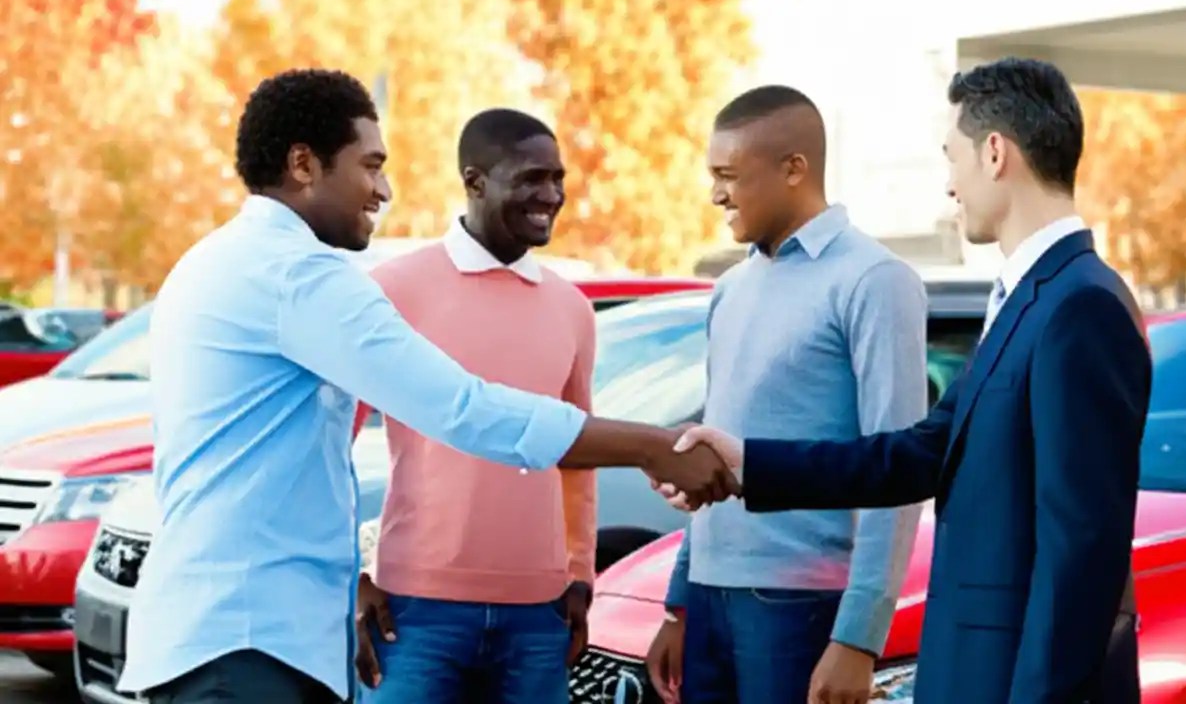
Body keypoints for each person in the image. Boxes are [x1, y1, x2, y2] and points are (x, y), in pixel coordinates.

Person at [118, 69, 736, 704]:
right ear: (303, 164)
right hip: (246, 645)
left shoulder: (216, 259)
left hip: (229, 634)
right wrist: (653, 447)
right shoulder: (296, 275)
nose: (383, 190)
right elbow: (464, 409)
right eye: (370, 166)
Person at [673, 58, 1152, 704]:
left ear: (993, 153)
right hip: (974, 669)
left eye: (950, 157)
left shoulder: (1080, 304)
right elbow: (918, 453)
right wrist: (750, 464)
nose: (949, 185)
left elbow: (1082, 557)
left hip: (1014, 679)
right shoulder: (1029, 297)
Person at [645, 85, 929, 704]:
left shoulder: (876, 281)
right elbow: (714, 445)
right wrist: (679, 601)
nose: (715, 194)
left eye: (729, 175)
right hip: (710, 601)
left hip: (800, 604)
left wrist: (859, 636)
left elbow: (899, 472)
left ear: (794, 169)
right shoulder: (730, 288)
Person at [350, 108, 598, 703]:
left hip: (539, 616)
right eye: (532, 178)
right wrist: (349, 577)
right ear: (475, 180)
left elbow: (576, 455)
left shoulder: (571, 308)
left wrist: (579, 576)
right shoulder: (393, 289)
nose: (551, 195)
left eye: (558, 179)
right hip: (415, 612)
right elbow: (330, 442)